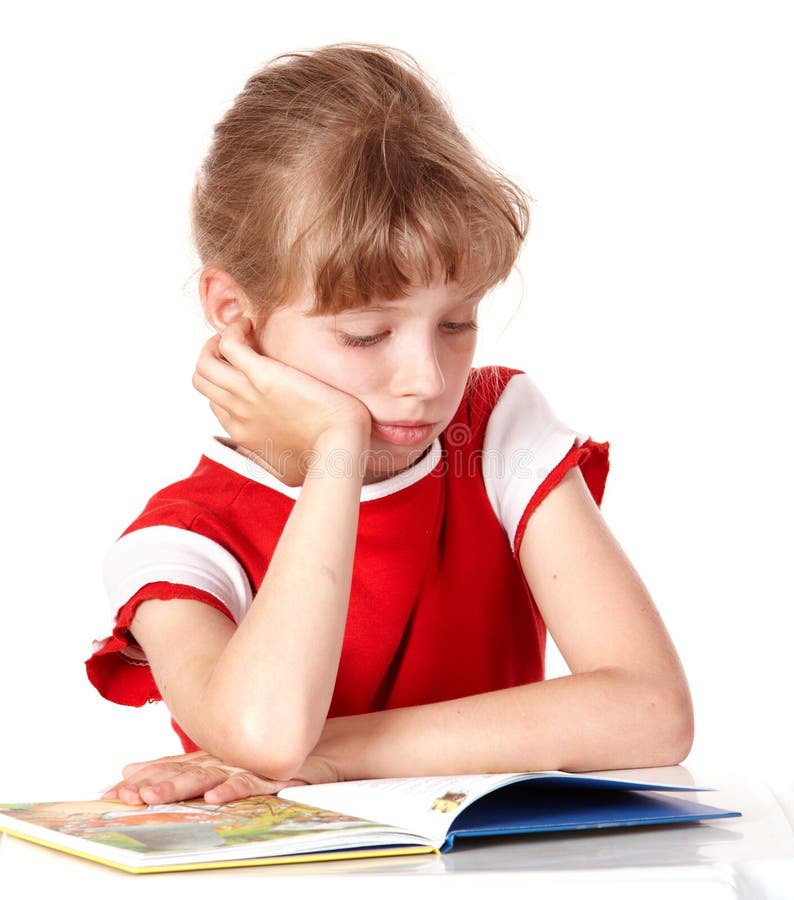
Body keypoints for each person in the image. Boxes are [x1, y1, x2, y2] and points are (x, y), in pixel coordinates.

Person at [88, 43, 693, 807]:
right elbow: (267, 737)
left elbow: (653, 711)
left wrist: (334, 757)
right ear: (235, 312)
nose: (428, 381)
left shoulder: (495, 432)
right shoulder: (181, 540)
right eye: (367, 335)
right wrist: (334, 447)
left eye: (457, 323)